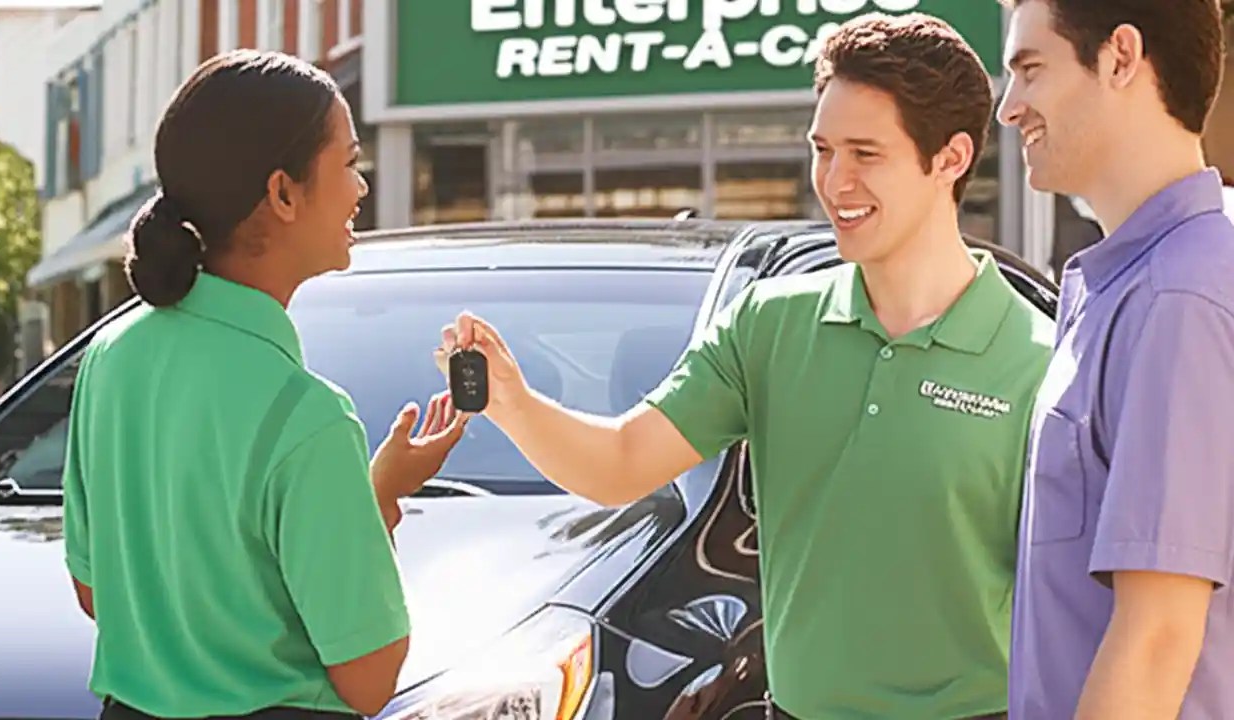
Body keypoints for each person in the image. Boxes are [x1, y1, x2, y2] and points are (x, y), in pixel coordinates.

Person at [440, 13, 1054, 720]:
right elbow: (620, 463)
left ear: (949, 159)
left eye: (865, 153)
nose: (835, 181)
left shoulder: (1037, 361)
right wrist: (512, 399)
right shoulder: (769, 324)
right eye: (822, 149)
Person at [61, 49, 465, 720]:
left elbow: (96, 591)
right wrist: (376, 502)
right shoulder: (308, 416)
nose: (361, 189)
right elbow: (368, 680)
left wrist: (370, 492)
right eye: (349, 164)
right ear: (283, 193)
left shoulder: (108, 356)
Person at [997, 1, 1234, 718]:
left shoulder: (1179, 295)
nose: (1009, 108)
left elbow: (1157, 638)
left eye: (1031, 69)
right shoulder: (1136, 282)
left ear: (1120, 57)